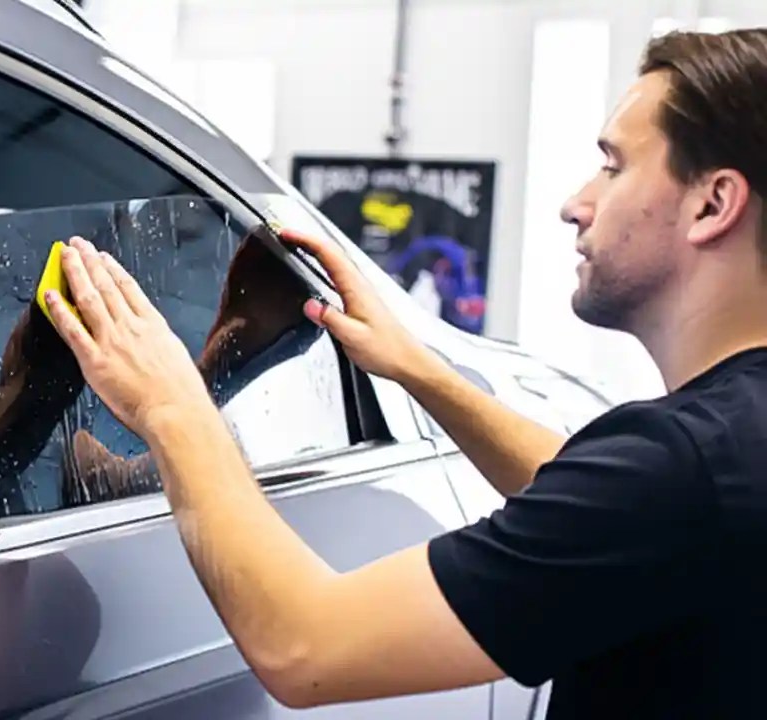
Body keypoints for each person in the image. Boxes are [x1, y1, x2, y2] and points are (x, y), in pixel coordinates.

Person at [39, 28, 767, 719]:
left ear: (712, 204)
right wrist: (418, 370)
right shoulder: (724, 453)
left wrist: (173, 403)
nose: (576, 202)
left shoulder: (686, 466)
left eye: (614, 166)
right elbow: (609, 503)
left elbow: (305, 646)